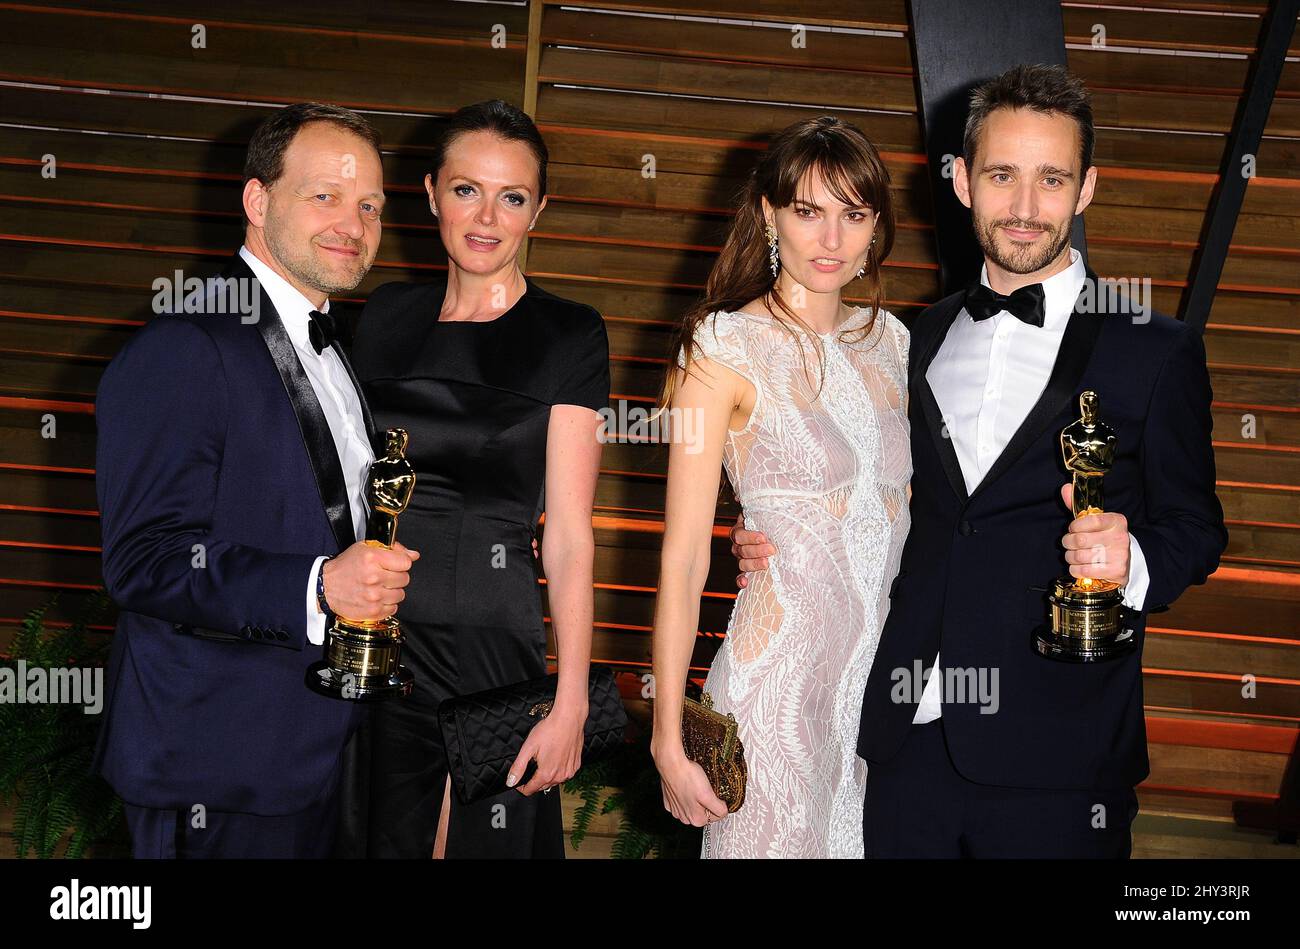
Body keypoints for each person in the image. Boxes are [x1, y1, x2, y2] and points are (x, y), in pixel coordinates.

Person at [729, 65, 1228, 858]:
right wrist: (767, 535)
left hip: (1059, 759)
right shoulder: (911, 336)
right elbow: (865, 482)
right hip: (900, 742)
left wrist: (1129, 557)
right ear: (961, 180)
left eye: (1051, 179)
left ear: (1087, 188)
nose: (1025, 208)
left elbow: (1197, 528)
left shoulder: (1156, 350)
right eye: (1002, 176)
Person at [93, 103, 418, 858]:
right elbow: (144, 561)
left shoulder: (337, 349)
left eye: (370, 204)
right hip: (212, 765)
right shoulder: (186, 343)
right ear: (257, 200)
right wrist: (316, 588)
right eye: (325, 196)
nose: (354, 222)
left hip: (319, 755)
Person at [347, 100, 608, 859]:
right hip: (376, 639)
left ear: (539, 209)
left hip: (489, 650)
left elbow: (566, 536)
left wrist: (570, 706)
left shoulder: (569, 333)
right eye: (467, 190)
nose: (487, 215)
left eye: (513, 196)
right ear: (429, 193)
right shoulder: (385, 316)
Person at [650, 116, 910, 858]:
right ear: (768, 213)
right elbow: (683, 556)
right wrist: (668, 736)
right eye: (808, 211)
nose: (831, 238)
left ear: (875, 226)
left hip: (875, 697)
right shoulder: (719, 347)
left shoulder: (893, 341)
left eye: (853, 214)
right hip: (777, 691)